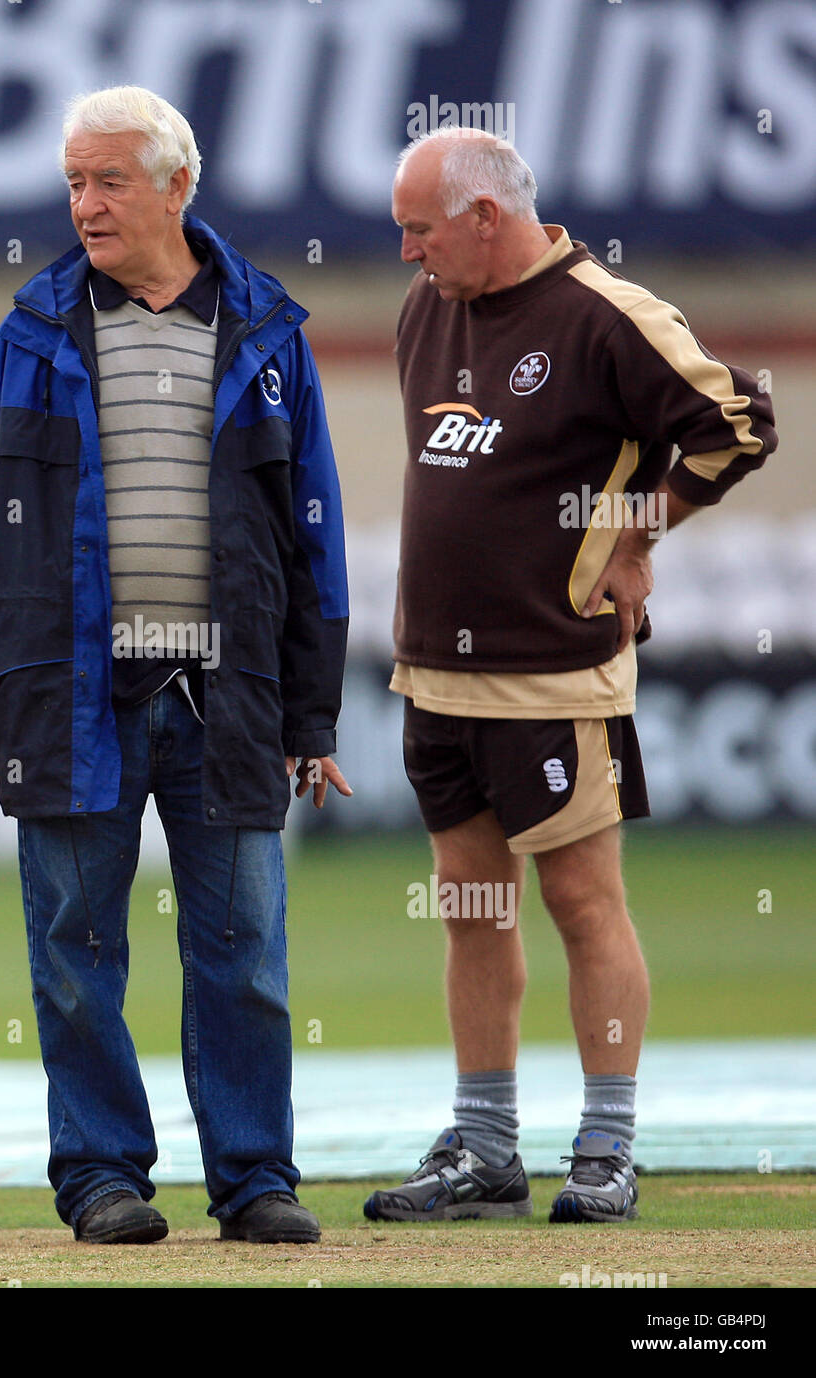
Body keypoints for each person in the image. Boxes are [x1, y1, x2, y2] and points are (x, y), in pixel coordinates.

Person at [0, 85, 350, 1244]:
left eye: (107, 182)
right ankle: (100, 1174)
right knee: (71, 955)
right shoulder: (29, 335)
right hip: (69, 692)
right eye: (72, 183)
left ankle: (255, 1180)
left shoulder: (271, 336)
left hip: (229, 696)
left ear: (176, 188)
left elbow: (314, 535)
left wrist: (316, 712)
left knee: (246, 956)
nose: (83, 205)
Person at [365, 128, 777, 1224]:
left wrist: (638, 535)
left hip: (551, 675)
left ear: (484, 217)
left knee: (582, 902)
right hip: (433, 673)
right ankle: (487, 1145)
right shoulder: (427, 308)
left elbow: (739, 422)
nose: (407, 253)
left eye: (419, 229)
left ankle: (605, 1145)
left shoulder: (608, 314)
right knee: (471, 904)